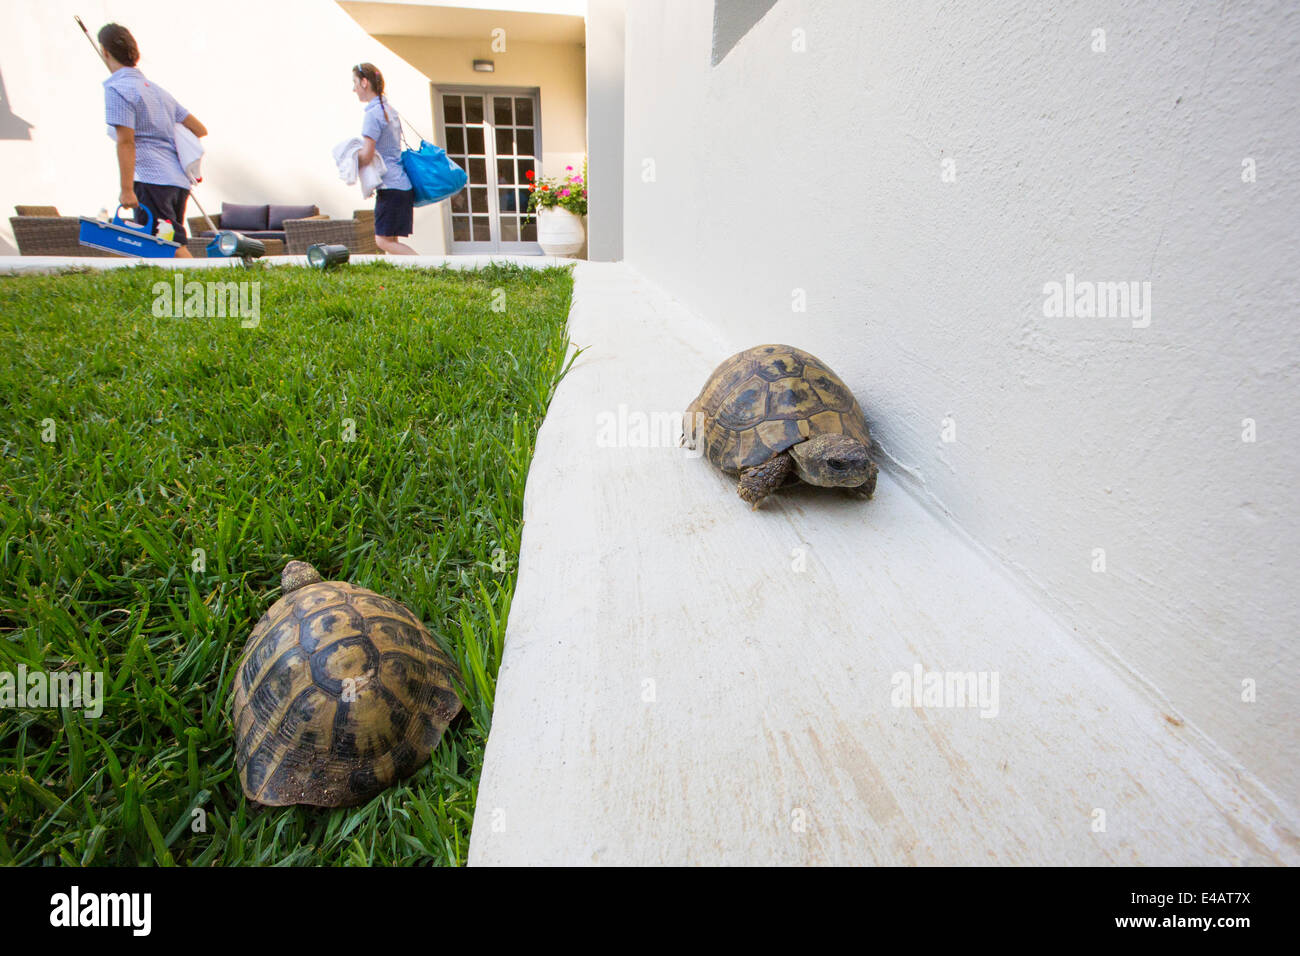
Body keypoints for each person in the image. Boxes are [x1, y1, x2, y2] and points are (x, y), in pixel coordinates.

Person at [99, 23, 207, 257]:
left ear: (104, 52)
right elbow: (199, 129)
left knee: (165, 247)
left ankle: (202, 285)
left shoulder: (118, 88)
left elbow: (126, 142)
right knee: (168, 243)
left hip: (151, 179)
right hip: (177, 180)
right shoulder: (159, 92)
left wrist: (126, 190)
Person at [352, 63, 417, 255]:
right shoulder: (389, 110)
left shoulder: (373, 114)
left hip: (390, 186)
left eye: (355, 82)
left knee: (382, 241)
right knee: (391, 240)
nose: (353, 88)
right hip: (401, 185)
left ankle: (430, 269)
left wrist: (349, 163)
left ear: (364, 83)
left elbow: (367, 154)